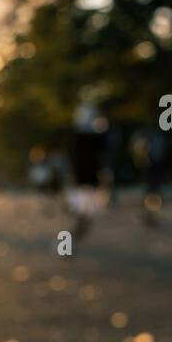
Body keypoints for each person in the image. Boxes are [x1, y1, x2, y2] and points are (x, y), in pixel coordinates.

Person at [68, 98, 108, 240]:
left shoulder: (82, 136)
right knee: (85, 209)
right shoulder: (82, 136)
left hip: (86, 178)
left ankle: (79, 228)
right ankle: (78, 230)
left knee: (86, 211)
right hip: (85, 178)